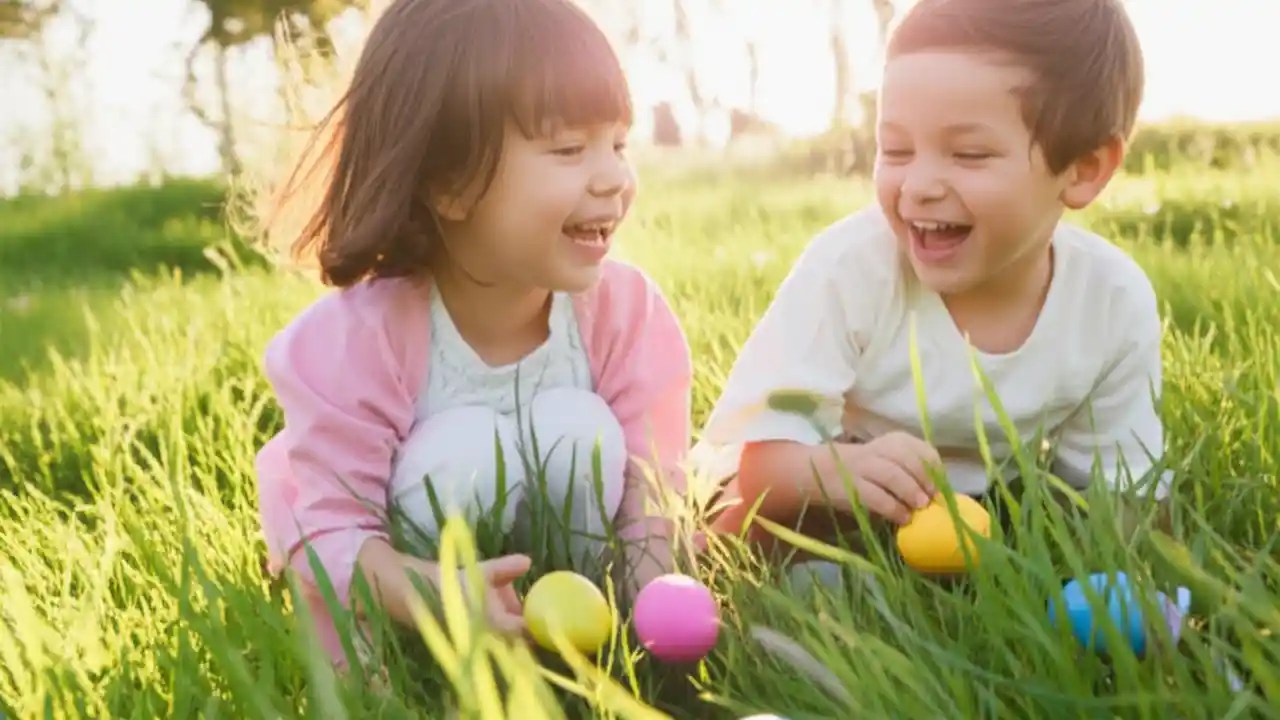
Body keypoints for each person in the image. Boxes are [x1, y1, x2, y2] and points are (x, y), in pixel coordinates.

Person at [253, 0, 691, 669]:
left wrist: (660, 616)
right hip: (411, 592)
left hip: (578, 603)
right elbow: (333, 532)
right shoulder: (359, 343)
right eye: (570, 150)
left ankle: (577, 637)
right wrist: (435, 596)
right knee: (465, 451)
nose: (615, 178)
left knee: (578, 430)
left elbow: (652, 491)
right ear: (450, 185)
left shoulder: (624, 313)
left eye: (618, 144)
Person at [696, 0, 1168, 554]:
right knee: (770, 547)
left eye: (968, 154)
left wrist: (1128, 589)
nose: (917, 184)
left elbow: (1121, 493)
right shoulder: (853, 268)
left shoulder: (1110, 301)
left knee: (1047, 539)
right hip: (828, 483)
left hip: (986, 508)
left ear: (1084, 170)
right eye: (895, 149)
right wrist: (841, 472)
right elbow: (756, 469)